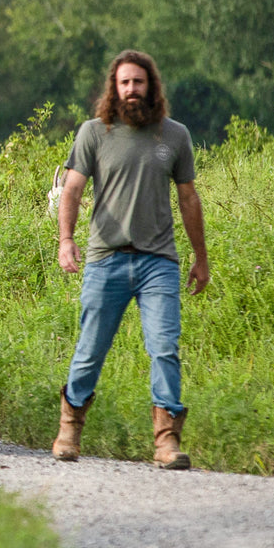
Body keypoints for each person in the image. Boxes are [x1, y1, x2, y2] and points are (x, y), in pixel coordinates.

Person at [52, 49, 210, 470]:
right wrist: (66, 241)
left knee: (164, 348)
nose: (131, 90)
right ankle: (69, 427)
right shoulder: (94, 133)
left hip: (158, 261)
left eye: (138, 82)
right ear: (114, 87)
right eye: (124, 83)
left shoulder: (174, 135)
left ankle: (166, 441)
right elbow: (71, 190)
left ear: (151, 86)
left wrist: (201, 258)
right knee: (90, 349)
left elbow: (189, 198)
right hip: (106, 259)